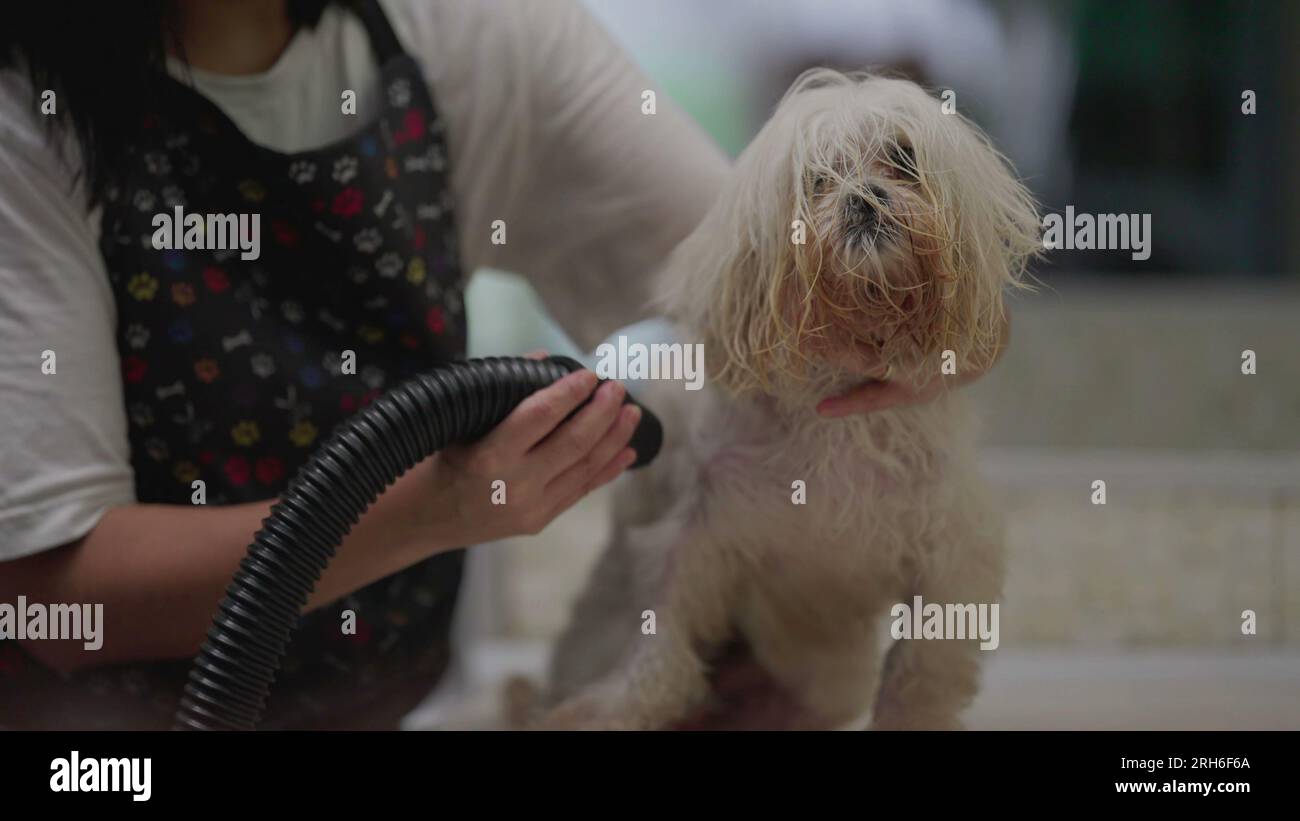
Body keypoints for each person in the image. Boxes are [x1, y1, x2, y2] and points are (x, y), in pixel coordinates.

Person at [0, 0, 1001, 729]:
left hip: (392, 700)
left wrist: (941, 309)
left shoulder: (475, 35)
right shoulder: (25, 117)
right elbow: (47, 589)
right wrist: (430, 506)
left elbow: (761, 281)